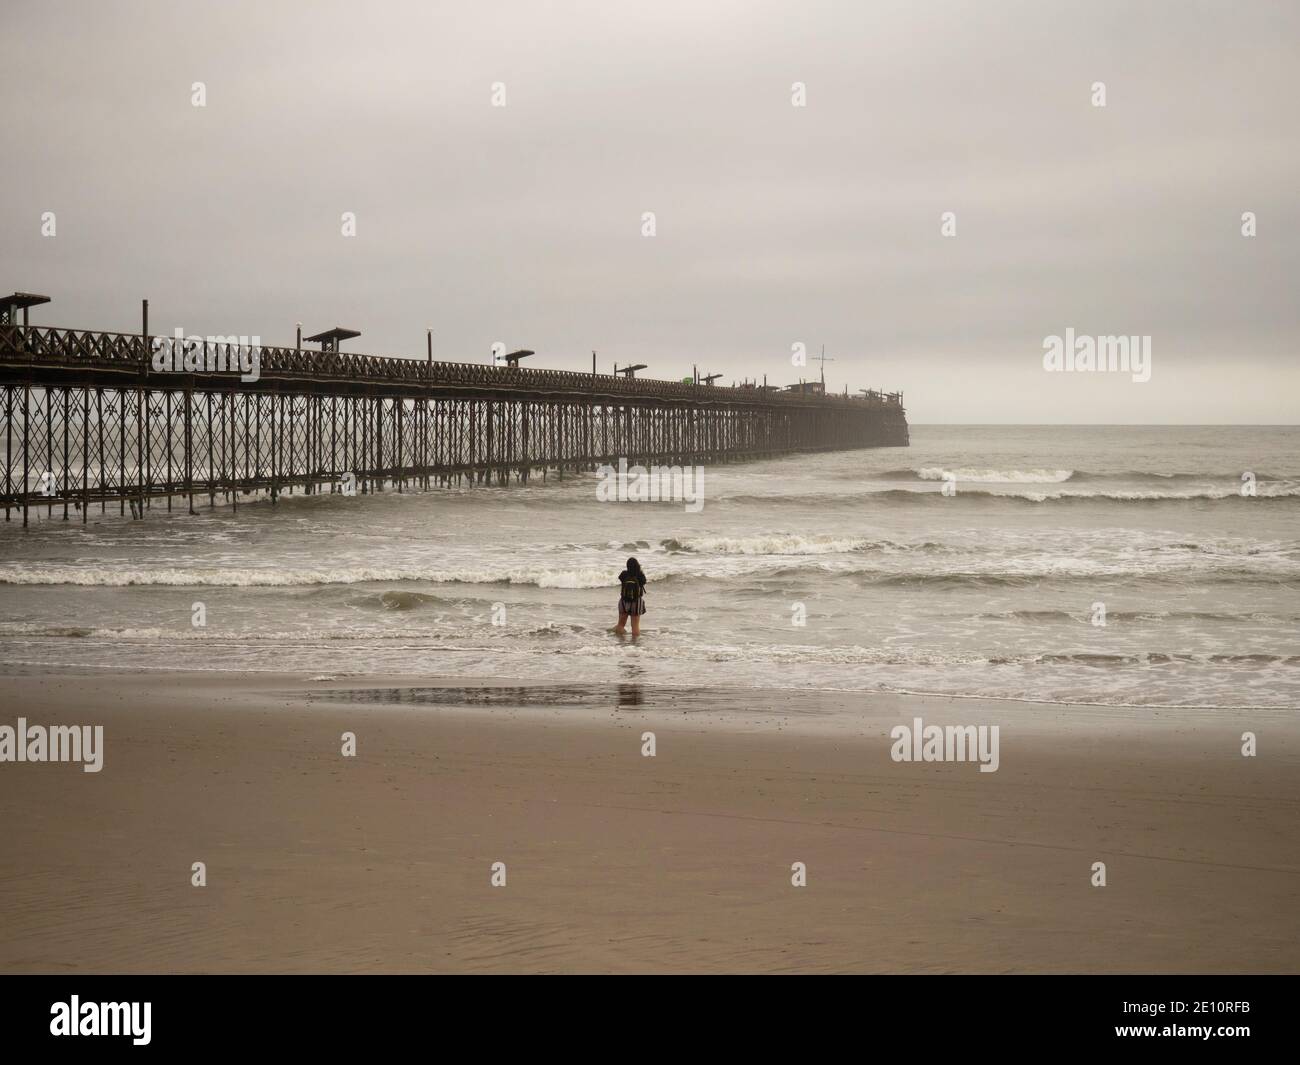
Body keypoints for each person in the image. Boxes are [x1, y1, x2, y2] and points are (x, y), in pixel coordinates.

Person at [614, 556, 647, 636]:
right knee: (635, 627)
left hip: (623, 601)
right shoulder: (640, 575)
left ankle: (621, 643)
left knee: (621, 625)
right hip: (636, 602)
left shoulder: (624, 574)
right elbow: (643, 582)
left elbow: (620, 578)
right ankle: (634, 646)